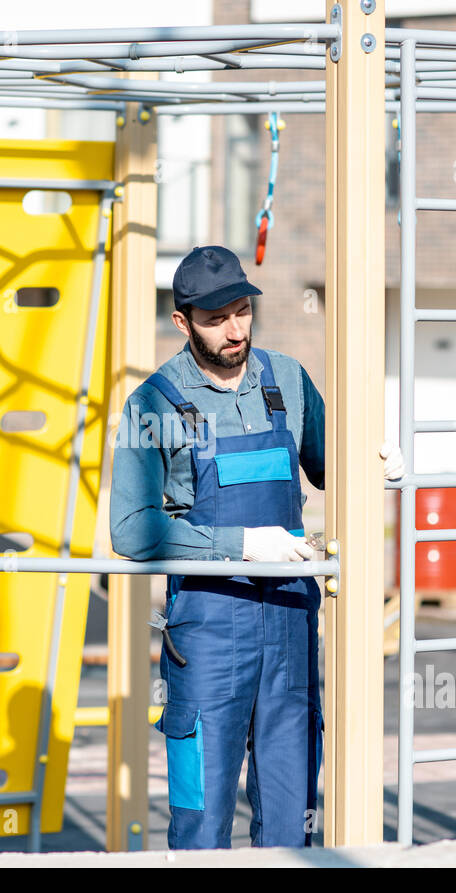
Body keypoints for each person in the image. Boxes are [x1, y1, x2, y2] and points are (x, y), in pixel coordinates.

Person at [109, 245, 404, 850]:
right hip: (207, 636)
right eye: (216, 319)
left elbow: (331, 467)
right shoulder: (154, 404)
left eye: (243, 312)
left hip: (291, 627)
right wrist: (242, 545)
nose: (235, 330)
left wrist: (376, 461)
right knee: (201, 822)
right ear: (182, 322)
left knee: (291, 819)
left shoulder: (289, 379)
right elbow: (132, 529)